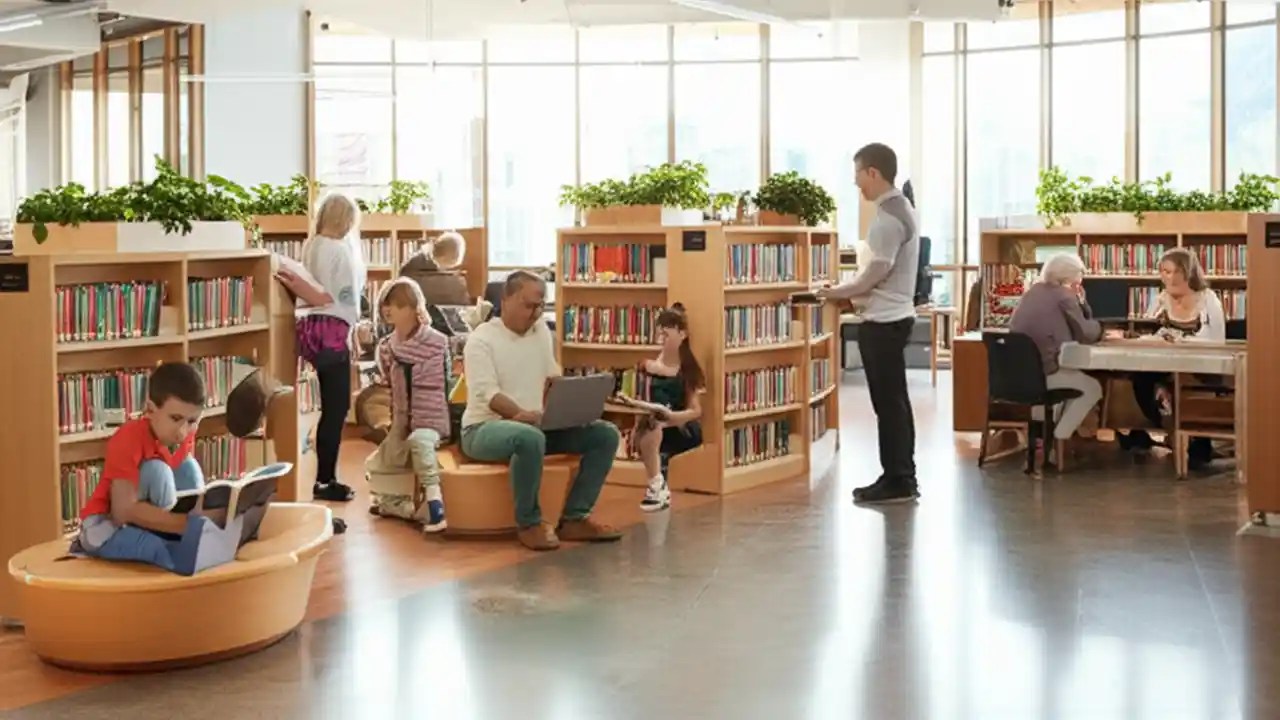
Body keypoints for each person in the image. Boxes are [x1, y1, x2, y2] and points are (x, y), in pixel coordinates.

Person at [460, 270, 623, 551]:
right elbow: (488, 395)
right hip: (483, 429)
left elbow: (552, 378)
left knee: (605, 435)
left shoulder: (541, 333)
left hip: (537, 425)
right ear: (506, 299)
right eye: (529, 305)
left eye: (541, 305)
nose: (536, 313)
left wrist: (572, 405)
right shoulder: (481, 339)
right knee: (529, 437)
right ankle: (529, 523)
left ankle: (575, 517)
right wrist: (520, 415)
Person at [817, 142, 920, 505]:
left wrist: (832, 292)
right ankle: (901, 475)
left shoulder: (887, 219)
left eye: (858, 174)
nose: (855, 182)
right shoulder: (902, 208)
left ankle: (898, 479)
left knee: (888, 405)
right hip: (896, 317)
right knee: (895, 403)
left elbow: (870, 278)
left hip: (884, 323)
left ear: (873, 173)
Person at [70, 363, 219, 570]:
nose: (183, 432)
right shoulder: (128, 439)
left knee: (188, 467)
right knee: (158, 549)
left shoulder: (183, 434)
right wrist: (187, 525)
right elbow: (123, 511)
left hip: (155, 514)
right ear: (150, 409)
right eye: (175, 419)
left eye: (192, 421)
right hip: (108, 523)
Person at [276, 191, 366, 502]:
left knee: (324, 406)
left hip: (309, 328)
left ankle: (320, 476)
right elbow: (344, 297)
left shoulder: (311, 244)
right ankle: (326, 479)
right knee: (336, 407)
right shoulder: (341, 250)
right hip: (333, 330)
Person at [1121, 247, 1226, 469]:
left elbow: (1217, 339)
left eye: (1169, 271)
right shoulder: (1161, 300)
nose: (1164, 277)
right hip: (1164, 362)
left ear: (1185, 272)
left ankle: (1197, 441)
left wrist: (1182, 341)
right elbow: (1148, 331)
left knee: (1184, 383)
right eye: (1162, 272)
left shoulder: (1208, 300)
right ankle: (1169, 430)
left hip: (1200, 365)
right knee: (1140, 378)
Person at [364, 278, 451, 533]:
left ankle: (437, 510)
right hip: (402, 421)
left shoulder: (436, 342)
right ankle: (403, 509)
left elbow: (438, 383)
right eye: (385, 305)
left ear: (414, 308)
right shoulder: (387, 347)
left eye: (397, 305)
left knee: (420, 443)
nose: (388, 311)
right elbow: (390, 388)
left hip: (430, 419)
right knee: (376, 466)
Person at [614, 303, 705, 513]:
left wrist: (671, 418)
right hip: (653, 421)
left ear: (682, 334)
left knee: (654, 427)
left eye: (667, 334)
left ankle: (657, 486)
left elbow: (696, 411)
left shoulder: (688, 369)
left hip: (681, 427)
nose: (662, 340)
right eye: (659, 334)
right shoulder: (648, 366)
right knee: (649, 425)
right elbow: (642, 399)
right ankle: (657, 486)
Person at [1008, 253, 1108, 442]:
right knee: (1093, 388)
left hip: (1019, 375)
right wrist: (1100, 326)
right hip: (1047, 373)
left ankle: (1043, 437)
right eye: (1080, 276)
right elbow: (1086, 333)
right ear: (1072, 278)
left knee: (1071, 380)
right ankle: (1058, 440)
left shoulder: (1032, 292)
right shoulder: (1064, 296)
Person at [399, 230, 471, 307]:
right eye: (451, 263)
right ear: (445, 257)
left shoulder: (420, 260)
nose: (448, 268)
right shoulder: (417, 268)